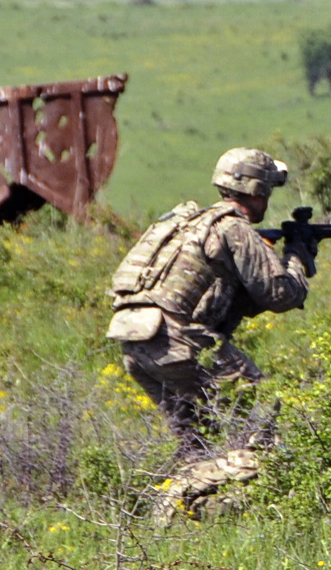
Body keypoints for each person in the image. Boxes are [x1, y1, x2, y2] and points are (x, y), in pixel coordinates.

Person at [105, 147, 314, 459]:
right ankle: (271, 494)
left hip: (136, 345)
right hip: (175, 341)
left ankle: (185, 503)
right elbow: (280, 295)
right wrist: (297, 256)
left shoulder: (186, 222)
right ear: (257, 190)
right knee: (263, 409)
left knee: (199, 442)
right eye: (267, 189)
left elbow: (232, 300)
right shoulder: (234, 228)